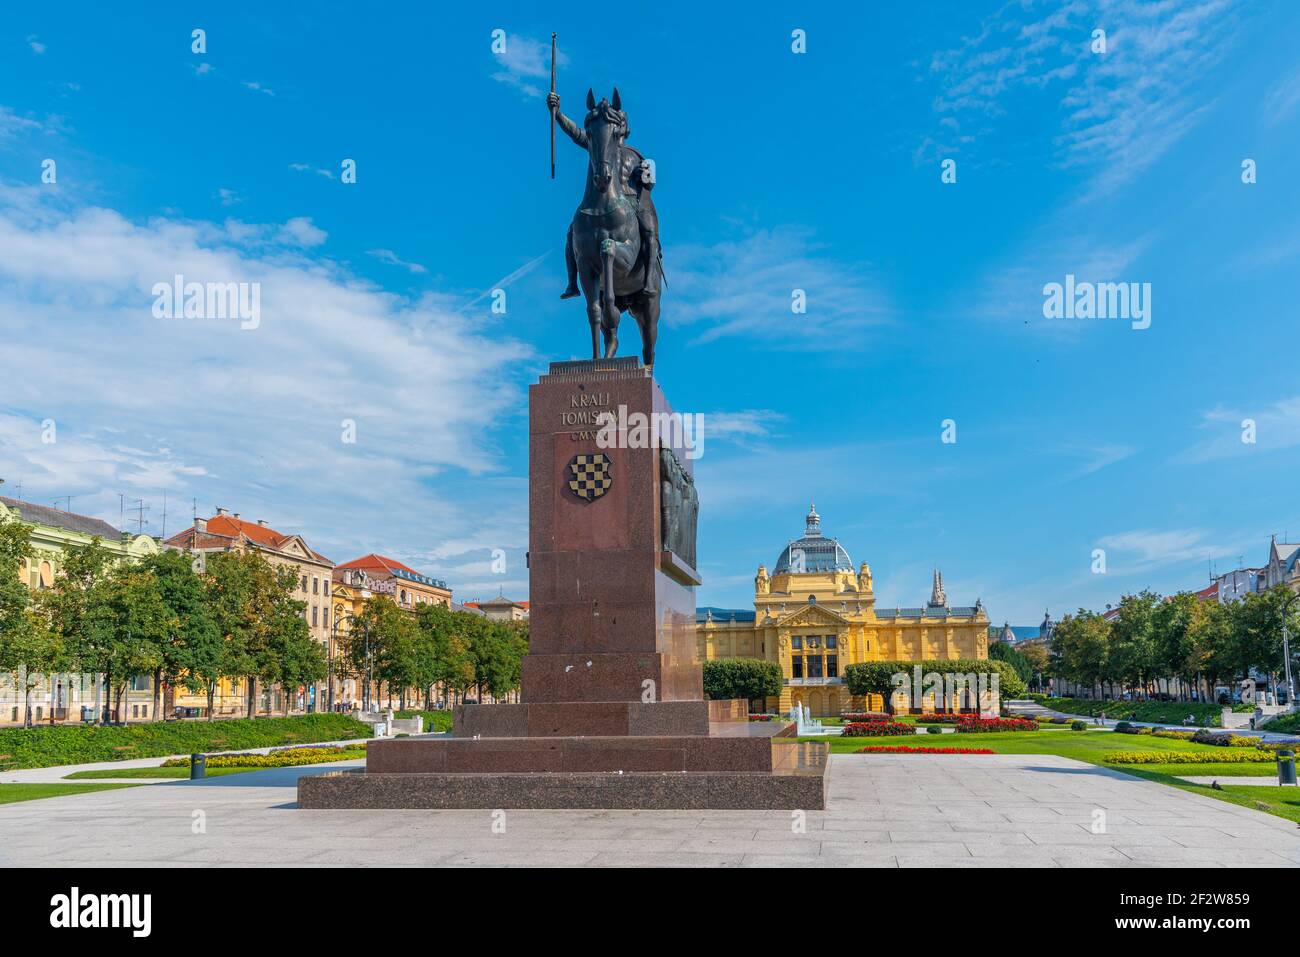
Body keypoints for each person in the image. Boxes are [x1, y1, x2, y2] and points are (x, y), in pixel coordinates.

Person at [547, 89, 662, 300]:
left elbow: (649, 183)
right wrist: (558, 113)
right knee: (573, 232)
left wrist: (645, 175)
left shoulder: (635, 154)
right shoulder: (599, 147)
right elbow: (576, 133)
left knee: (649, 231)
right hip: (602, 202)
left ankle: (648, 280)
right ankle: (573, 282)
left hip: (632, 202)